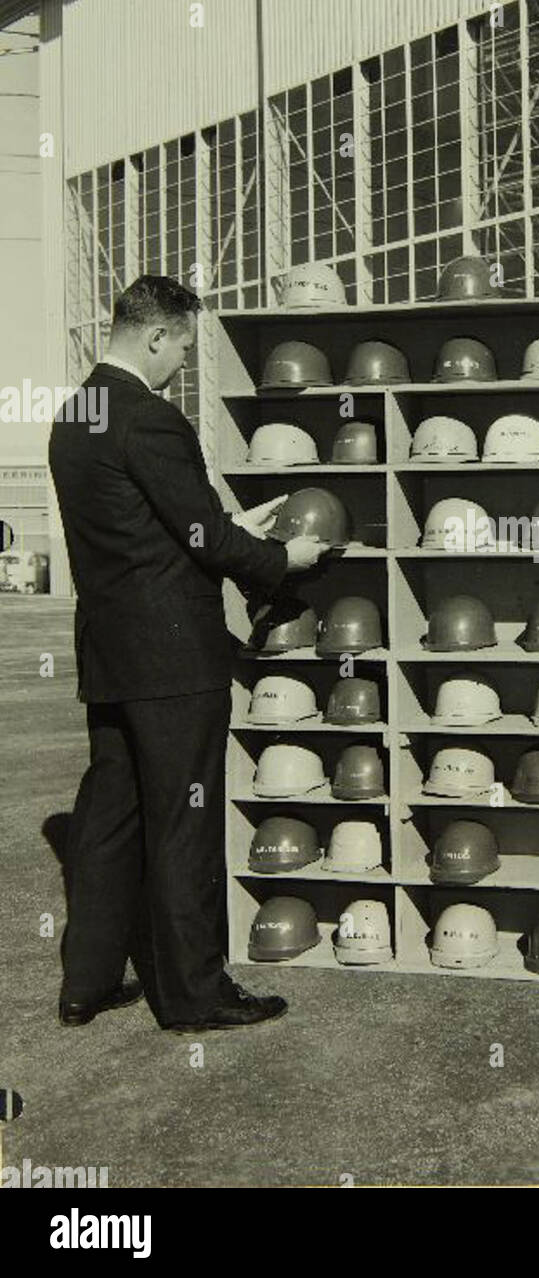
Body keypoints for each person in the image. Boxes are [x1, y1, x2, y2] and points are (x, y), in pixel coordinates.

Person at [49, 276, 329, 1032]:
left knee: (108, 820)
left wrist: (226, 518)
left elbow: (149, 530)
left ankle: (88, 983)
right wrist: (279, 559)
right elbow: (196, 540)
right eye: (181, 345)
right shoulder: (150, 419)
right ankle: (194, 995)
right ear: (155, 336)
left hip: (110, 655)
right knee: (183, 822)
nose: (182, 362)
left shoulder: (76, 416)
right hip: (173, 661)